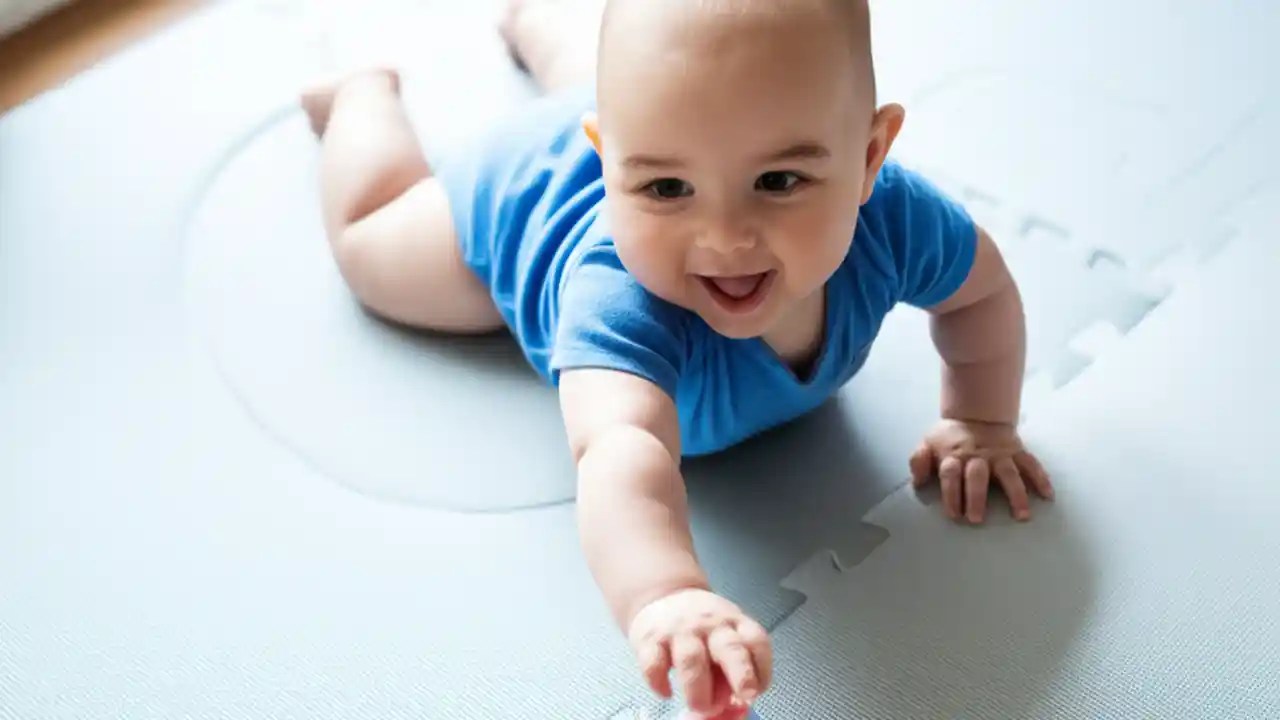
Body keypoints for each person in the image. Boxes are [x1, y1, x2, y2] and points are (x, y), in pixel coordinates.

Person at [300, 0, 1055, 716]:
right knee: (371, 245)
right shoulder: (618, 298)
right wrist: (665, 594)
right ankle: (363, 100)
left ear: (869, 158)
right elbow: (619, 449)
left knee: (676, 111)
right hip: (518, 203)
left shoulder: (896, 220)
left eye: (779, 181)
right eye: (667, 188)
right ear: (611, 169)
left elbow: (981, 297)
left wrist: (982, 420)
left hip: (652, 120)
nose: (724, 237)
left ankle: (553, 35)